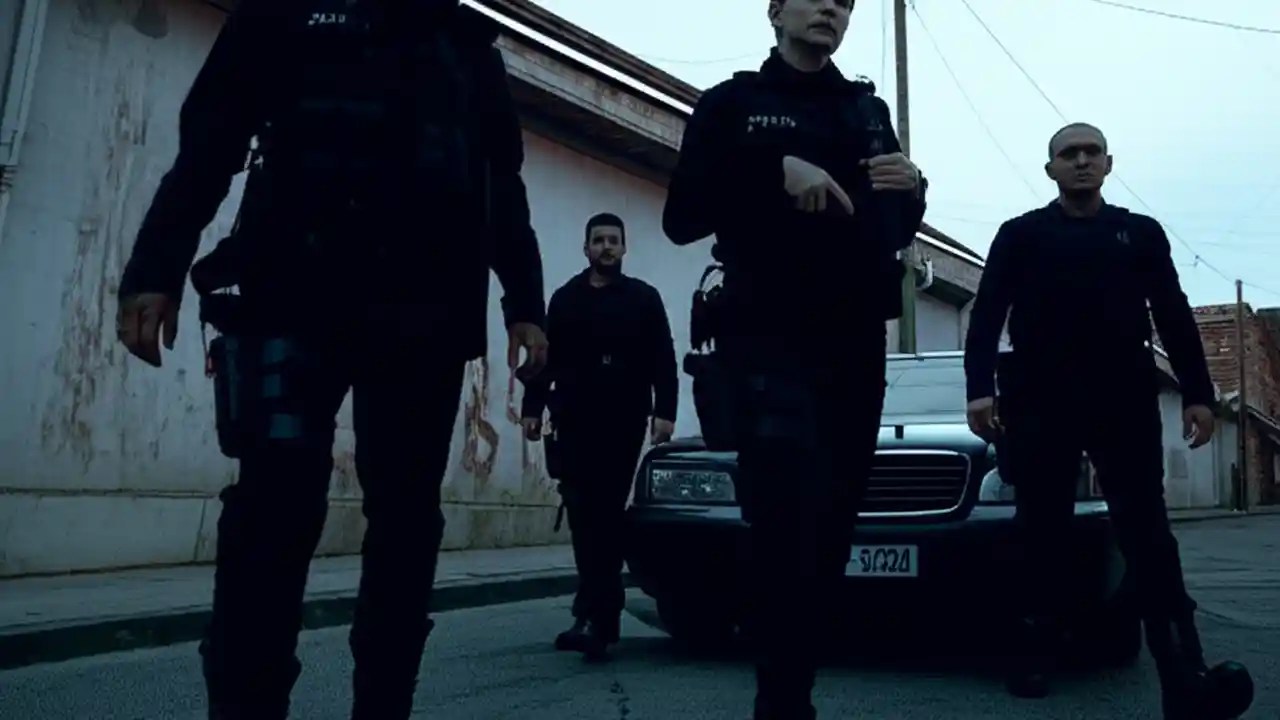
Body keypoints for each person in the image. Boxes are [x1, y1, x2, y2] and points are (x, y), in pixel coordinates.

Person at [113, 1, 549, 718]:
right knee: (271, 511)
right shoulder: (281, 13)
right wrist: (154, 267)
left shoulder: (466, 43)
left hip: (423, 316)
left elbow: (501, 184)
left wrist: (525, 302)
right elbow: (211, 143)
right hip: (291, 297)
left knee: (406, 519)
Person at [662, 0, 927, 716]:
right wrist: (773, 168)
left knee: (832, 527)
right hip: (766, 338)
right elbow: (682, 216)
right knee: (785, 516)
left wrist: (912, 190)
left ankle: (791, 690)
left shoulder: (865, 111)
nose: (832, 11)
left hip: (851, 342)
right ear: (776, 11)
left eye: (845, 3)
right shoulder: (732, 105)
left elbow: (894, 227)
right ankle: (782, 703)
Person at [963, 122, 1253, 719]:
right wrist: (978, 391)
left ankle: (1183, 670)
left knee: (1148, 531)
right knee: (1040, 527)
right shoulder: (1021, 235)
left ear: (1108, 162)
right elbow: (987, 313)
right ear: (1050, 169)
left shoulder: (1138, 234)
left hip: (1122, 399)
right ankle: (1032, 653)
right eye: (1069, 154)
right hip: (1040, 402)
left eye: (1091, 152)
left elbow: (1172, 311)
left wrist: (1200, 394)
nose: (1081, 161)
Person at [520, 212, 679, 661]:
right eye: (598, 240)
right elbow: (544, 359)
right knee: (580, 513)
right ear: (585, 248)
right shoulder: (565, 299)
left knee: (604, 514)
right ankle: (591, 609)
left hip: (623, 420)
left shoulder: (643, 299)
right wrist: (533, 409)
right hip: (573, 419)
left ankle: (599, 617)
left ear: (624, 248)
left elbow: (662, 358)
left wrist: (664, 413)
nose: (606, 247)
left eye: (613, 240)